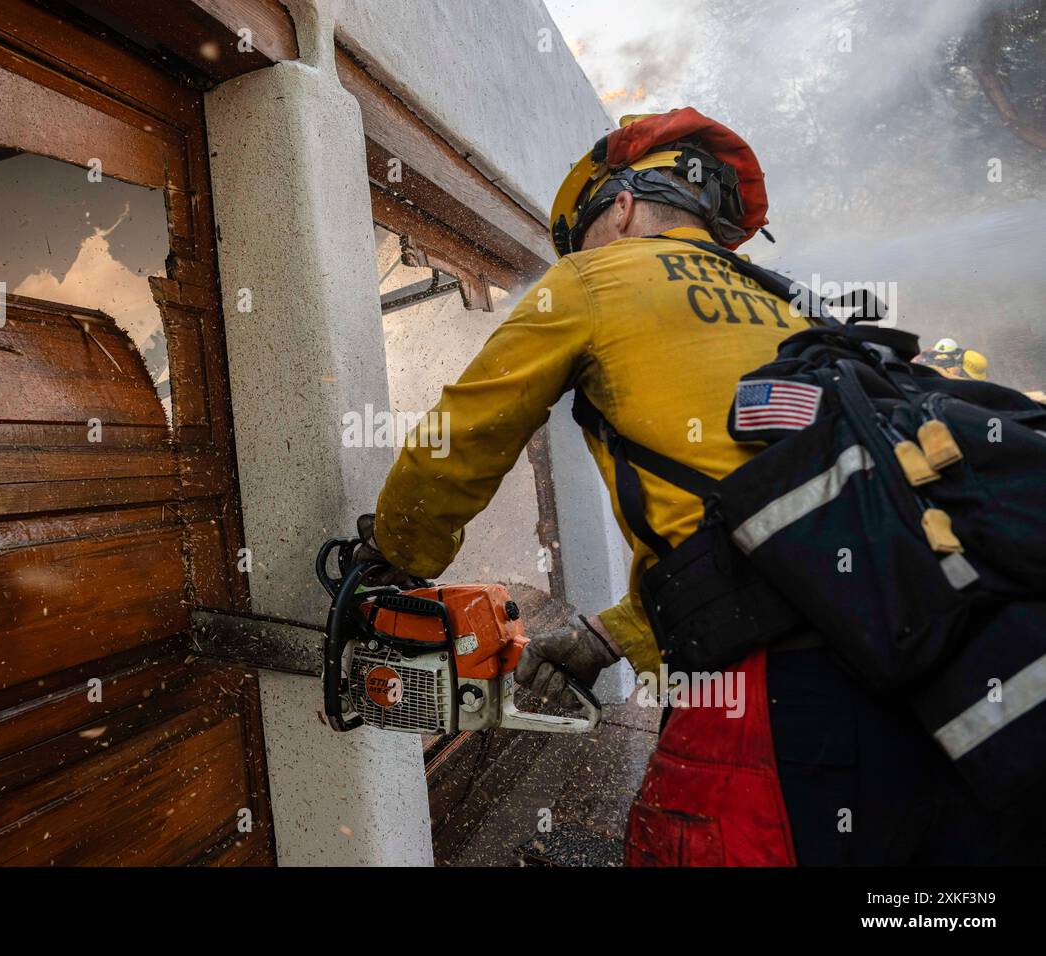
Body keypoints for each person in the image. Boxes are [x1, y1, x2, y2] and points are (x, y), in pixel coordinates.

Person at [357, 109, 1038, 865]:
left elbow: (466, 433)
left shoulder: (595, 276)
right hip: (936, 675)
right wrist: (603, 639)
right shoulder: (791, 307)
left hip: (770, 708)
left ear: (617, 207)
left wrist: (399, 551)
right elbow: (773, 523)